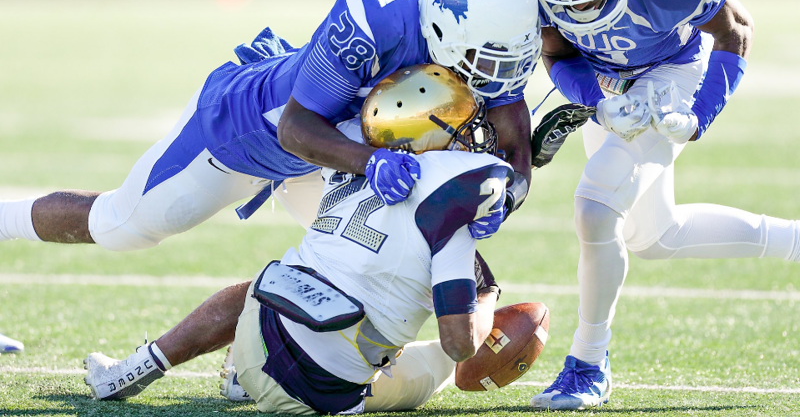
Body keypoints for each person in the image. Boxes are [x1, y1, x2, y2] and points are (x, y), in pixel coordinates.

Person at [0, 0, 539, 252]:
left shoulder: (481, 40)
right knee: (121, 226)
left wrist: (508, 195)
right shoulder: (377, 14)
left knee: (394, 255)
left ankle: (262, 359)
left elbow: (516, 142)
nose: (500, 78)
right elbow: (296, 129)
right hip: (248, 131)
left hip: (335, 160)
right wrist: (372, 161)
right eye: (492, 61)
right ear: (446, 29)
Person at [492, 0, 800, 411]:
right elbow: (559, 52)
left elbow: (736, 31)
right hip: (611, 82)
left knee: (595, 208)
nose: (589, 7)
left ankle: (589, 364)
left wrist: (698, 116)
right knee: (656, 236)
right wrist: (597, 98)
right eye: (574, 1)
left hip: (675, 68)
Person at [84, 64, 511, 414]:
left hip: (258, 335)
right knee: (438, 359)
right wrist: (487, 294)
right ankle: (259, 380)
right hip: (324, 394)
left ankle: (135, 369)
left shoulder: (348, 148)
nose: (470, 138)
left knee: (271, 283)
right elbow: (461, 344)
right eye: (460, 127)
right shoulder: (452, 206)